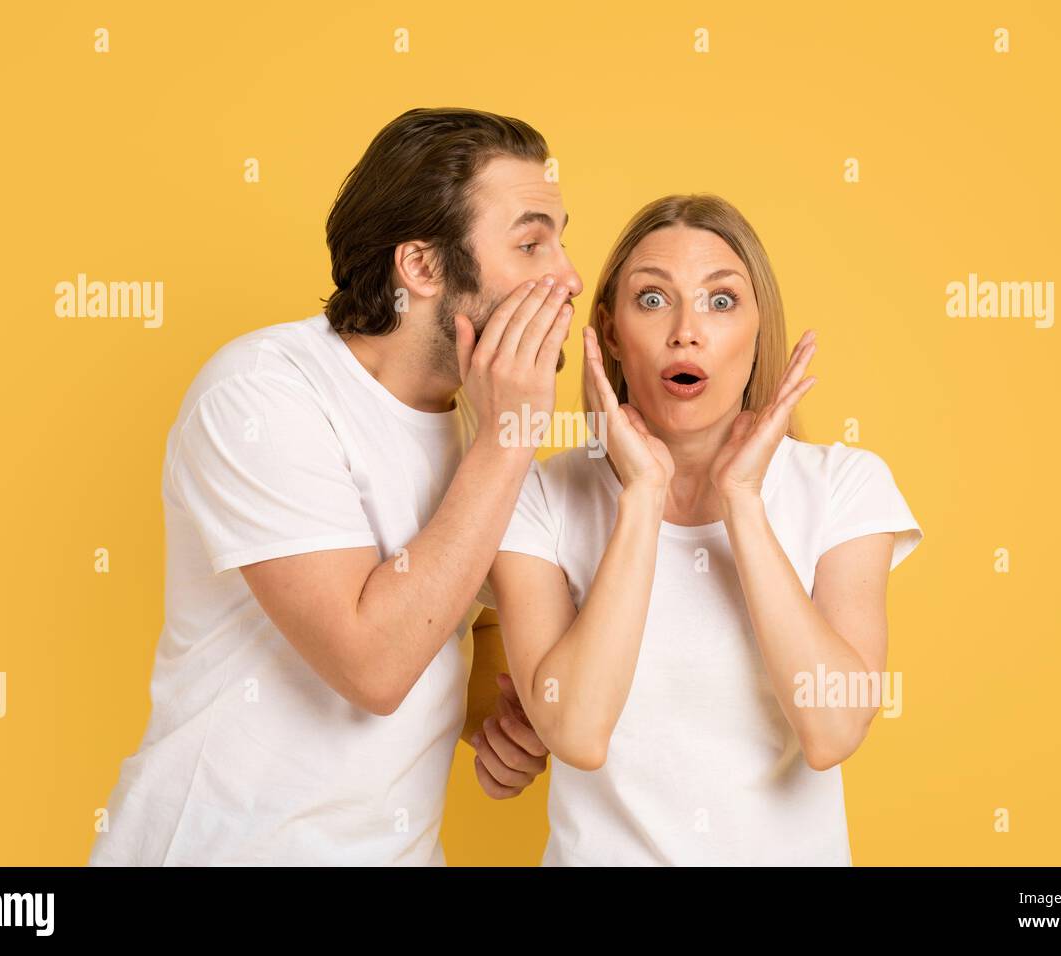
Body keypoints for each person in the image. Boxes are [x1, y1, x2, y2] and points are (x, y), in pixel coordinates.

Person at [90, 107, 582, 865]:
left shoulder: (478, 419)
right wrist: (506, 443)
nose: (568, 275)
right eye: (530, 243)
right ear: (421, 267)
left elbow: (470, 616)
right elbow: (373, 663)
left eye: (561, 238)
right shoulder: (261, 394)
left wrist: (495, 716)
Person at [486, 194, 924, 865]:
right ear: (608, 331)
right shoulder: (542, 497)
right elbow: (575, 732)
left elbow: (832, 729)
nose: (686, 331)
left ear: (757, 327)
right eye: (653, 299)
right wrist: (643, 498)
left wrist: (742, 499)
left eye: (721, 302)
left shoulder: (844, 486)